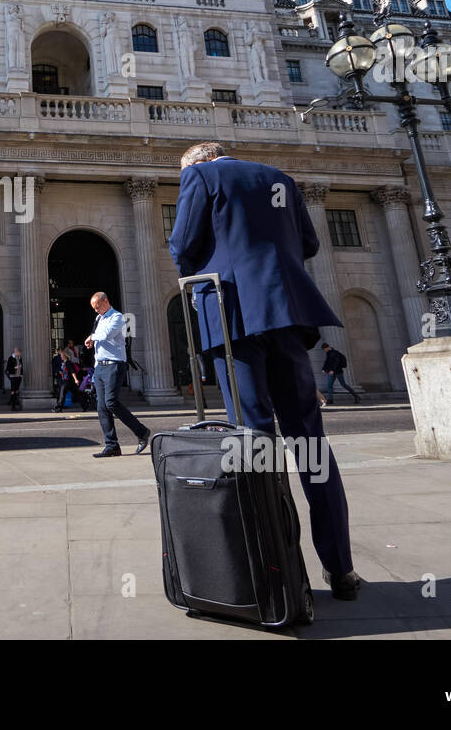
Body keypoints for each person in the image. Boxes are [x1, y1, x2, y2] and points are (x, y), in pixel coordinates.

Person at [168, 140, 362, 601]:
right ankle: (341, 571)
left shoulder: (200, 176)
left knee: (254, 442)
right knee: (310, 442)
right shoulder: (281, 179)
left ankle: (277, 573)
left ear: (196, 162)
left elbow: (182, 245)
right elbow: (309, 244)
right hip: (287, 313)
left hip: (233, 314)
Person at [84, 292, 150, 457]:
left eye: (97, 307)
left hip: (114, 365)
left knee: (111, 402)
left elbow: (106, 335)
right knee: (101, 407)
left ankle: (141, 432)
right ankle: (112, 445)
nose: (96, 311)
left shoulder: (117, 317)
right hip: (100, 366)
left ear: (106, 301)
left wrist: (92, 336)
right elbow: (99, 340)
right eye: (94, 308)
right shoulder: (99, 319)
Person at [53, 349, 81, 413]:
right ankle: (85, 405)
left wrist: (76, 380)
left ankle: (58, 408)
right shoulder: (64, 363)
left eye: (62, 355)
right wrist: (61, 372)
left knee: (62, 394)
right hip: (66, 381)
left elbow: (72, 372)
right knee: (76, 393)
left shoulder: (68, 363)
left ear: (65, 356)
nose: (61, 356)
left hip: (68, 381)